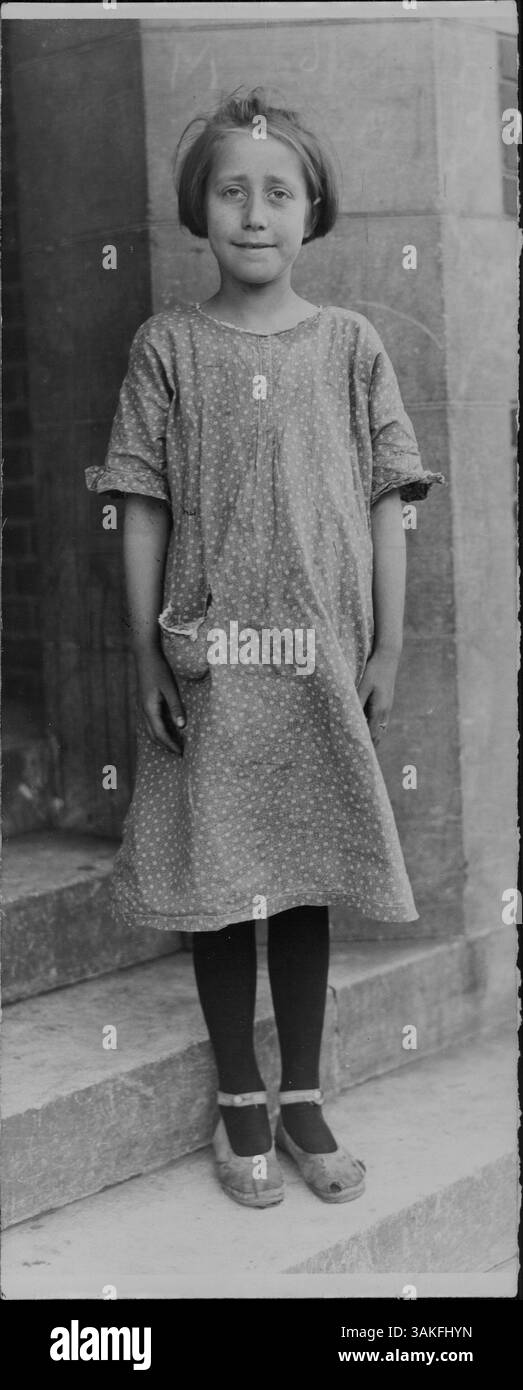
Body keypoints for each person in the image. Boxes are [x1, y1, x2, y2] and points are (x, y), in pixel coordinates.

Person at [85, 88, 444, 1210]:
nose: (254, 212)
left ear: (312, 210)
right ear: (198, 210)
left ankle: (301, 1096)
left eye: (277, 192)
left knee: (299, 882)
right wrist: (147, 653)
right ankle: (238, 1092)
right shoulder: (169, 348)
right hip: (212, 653)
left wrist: (383, 647)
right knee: (218, 877)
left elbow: (390, 499)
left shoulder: (350, 345)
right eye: (231, 191)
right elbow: (139, 501)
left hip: (316, 656)